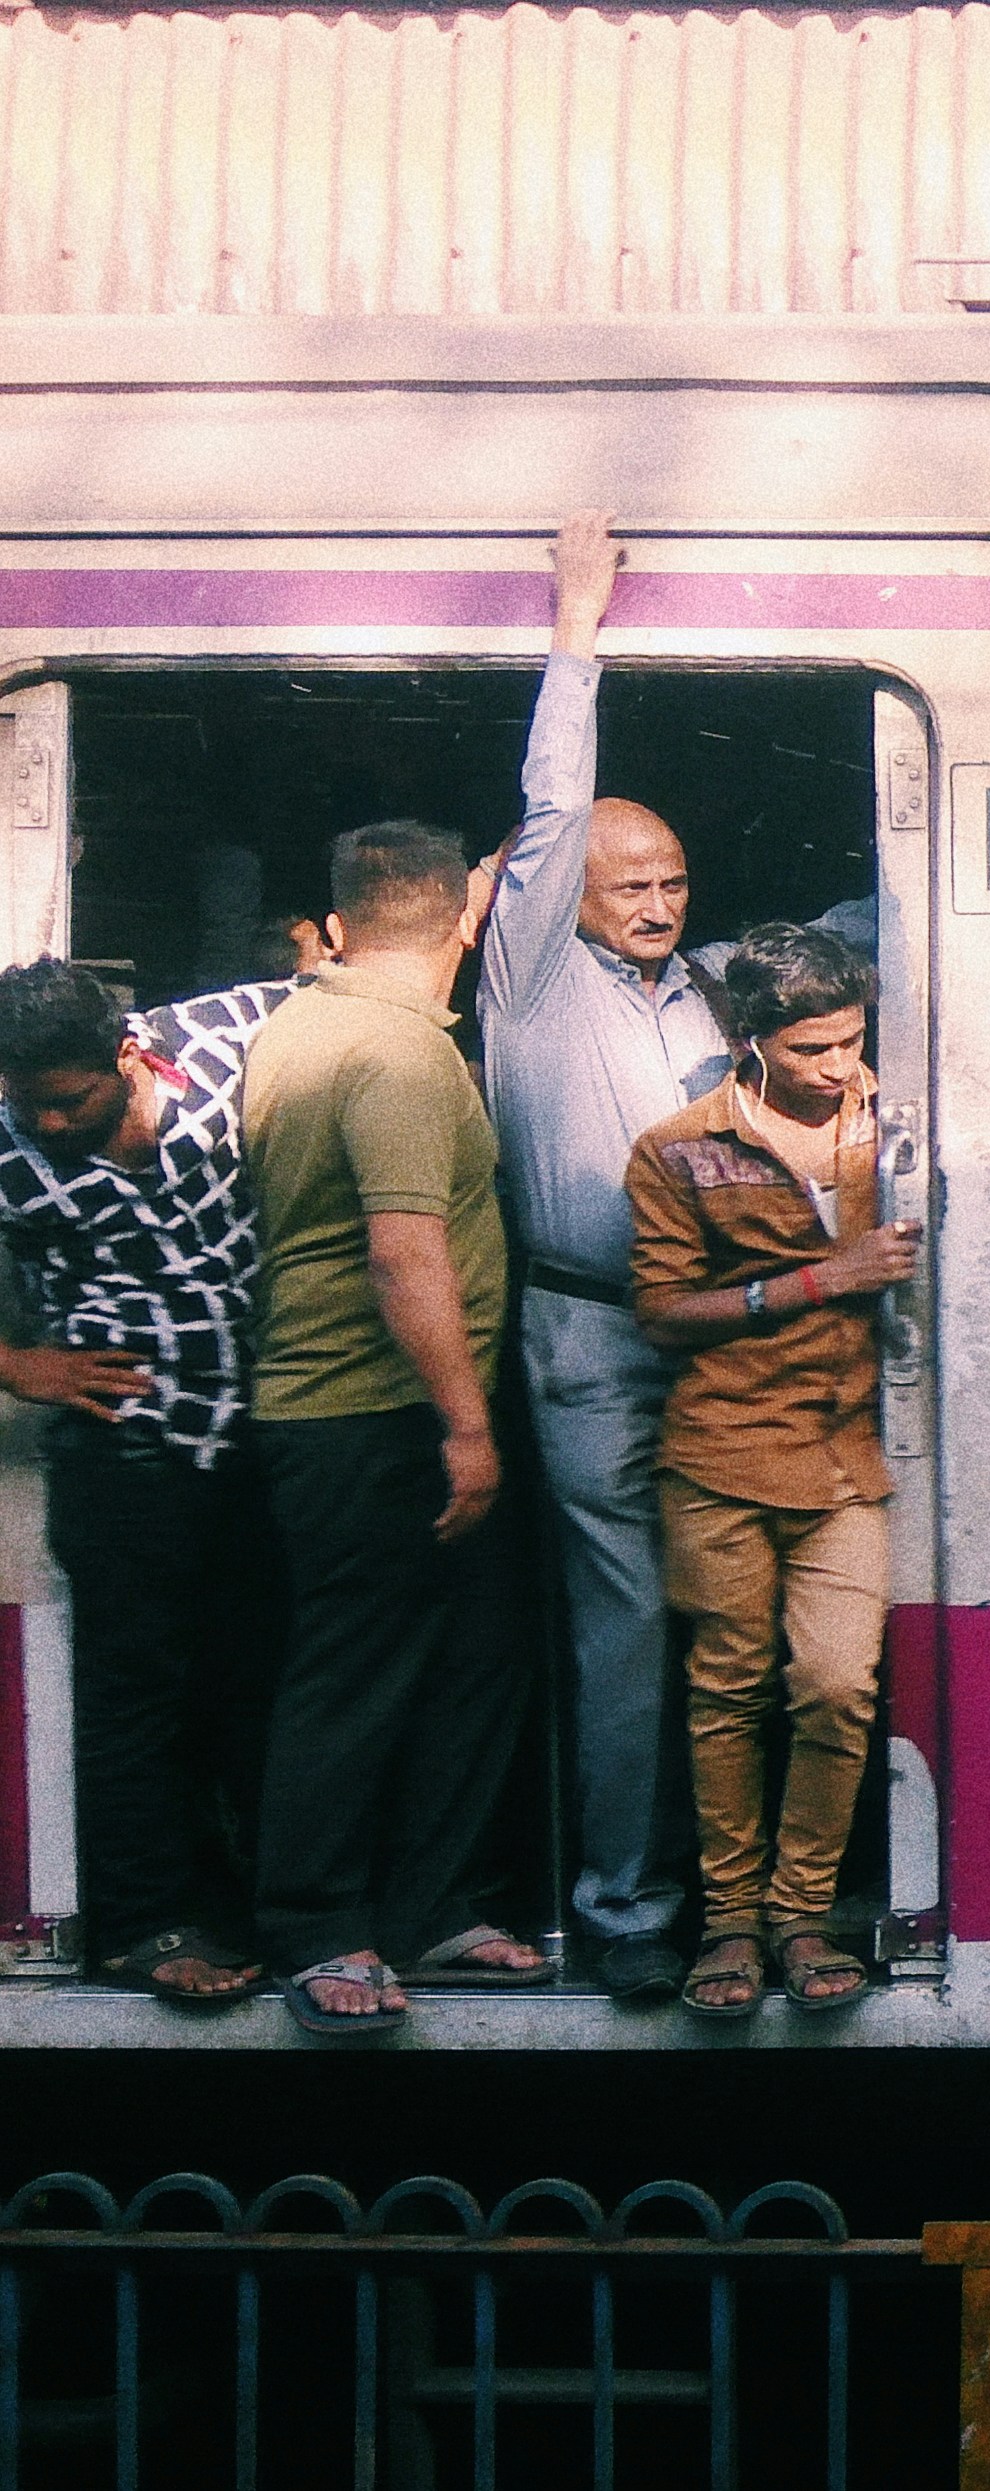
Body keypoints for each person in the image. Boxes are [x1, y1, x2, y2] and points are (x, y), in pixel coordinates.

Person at [240, 820, 546, 2034]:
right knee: (355, 1674)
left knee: (480, 1652)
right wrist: (469, 1428)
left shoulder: (308, 1023)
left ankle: (434, 1905)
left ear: (340, 921)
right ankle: (317, 1929)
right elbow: (403, 1253)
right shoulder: (399, 1059)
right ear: (466, 923)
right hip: (377, 1411)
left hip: (363, 1408)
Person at [488, 508, 728, 2000]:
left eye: (675, 883)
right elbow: (554, 804)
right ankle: (629, 1919)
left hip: (724, 1333)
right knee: (630, 1623)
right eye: (629, 884)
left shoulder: (703, 986)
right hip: (587, 1339)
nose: (654, 902)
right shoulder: (527, 973)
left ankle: (748, 1902)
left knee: (730, 1610)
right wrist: (578, 631)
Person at [626, 923, 916, 2015]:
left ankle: (804, 1913)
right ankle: (733, 1924)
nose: (840, 1067)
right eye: (813, 1051)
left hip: (844, 1461)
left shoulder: (895, 1122)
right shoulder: (677, 1148)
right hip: (720, 1458)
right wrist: (821, 1280)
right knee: (728, 1695)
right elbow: (657, 1313)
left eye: (850, 1042)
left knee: (838, 1689)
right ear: (752, 1041)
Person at [0, 960, 290, 2006]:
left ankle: (264, 1911)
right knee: (137, 1697)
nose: (42, 1118)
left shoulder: (223, 1036)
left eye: (65, 1098)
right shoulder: (6, 1141)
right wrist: (18, 1363)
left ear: (129, 1054)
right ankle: (144, 1925)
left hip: (259, 1433)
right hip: (126, 1447)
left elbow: (347, 982)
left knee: (254, 1679)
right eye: (23, 1098)